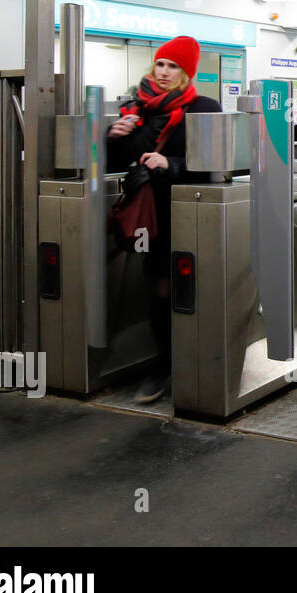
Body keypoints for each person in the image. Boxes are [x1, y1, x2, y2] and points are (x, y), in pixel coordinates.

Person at [106, 36, 221, 403]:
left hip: (190, 210)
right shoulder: (133, 110)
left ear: (187, 73)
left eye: (174, 66)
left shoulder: (203, 107)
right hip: (149, 214)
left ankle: (201, 361)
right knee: (157, 289)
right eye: (161, 64)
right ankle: (163, 364)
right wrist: (113, 138)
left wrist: (170, 164)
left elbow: (218, 164)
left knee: (190, 288)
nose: (165, 72)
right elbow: (112, 167)